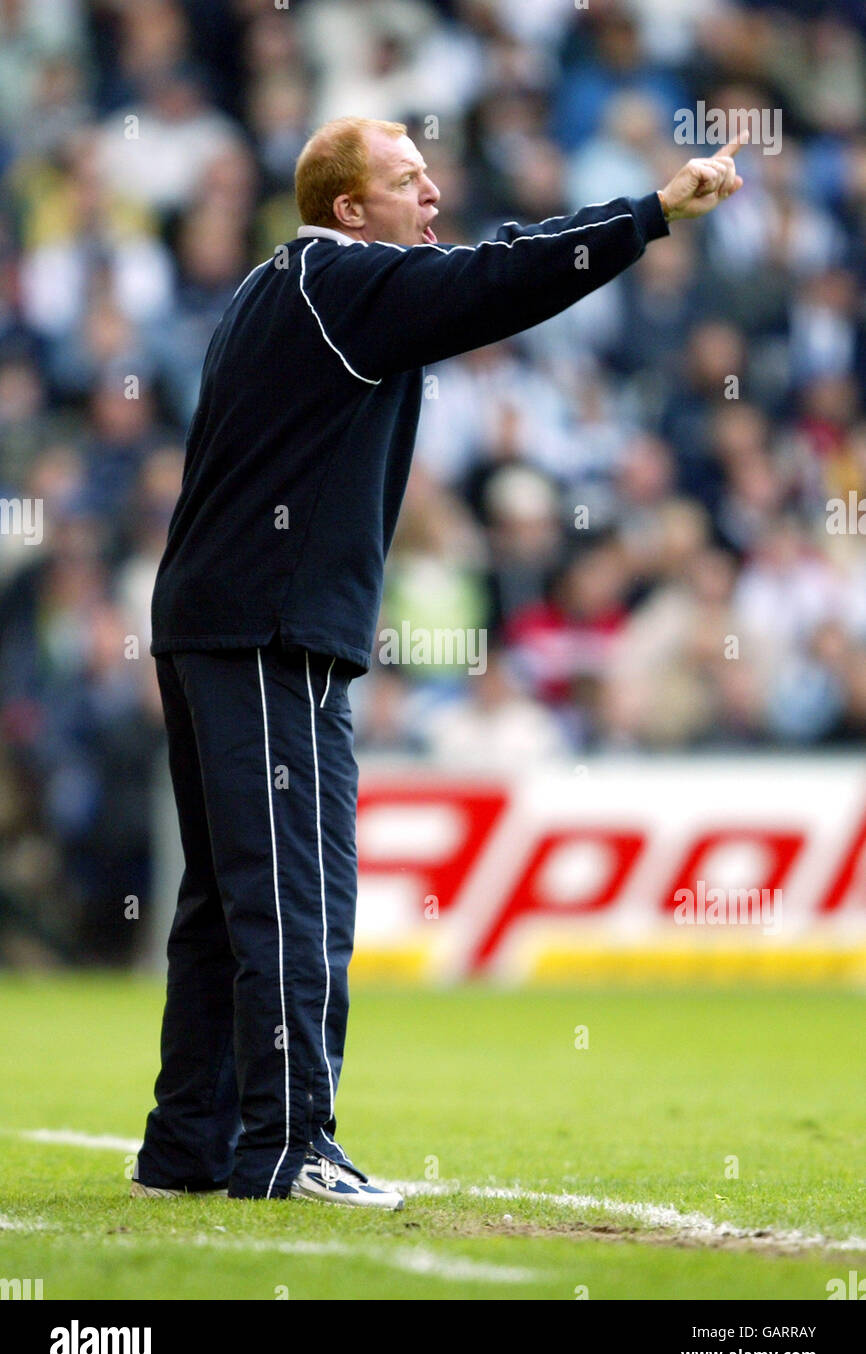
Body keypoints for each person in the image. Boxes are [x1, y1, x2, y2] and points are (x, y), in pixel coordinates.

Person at [132, 116, 745, 1207]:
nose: (432, 192)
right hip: (267, 628)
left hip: (217, 619)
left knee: (227, 903)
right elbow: (499, 278)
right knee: (293, 890)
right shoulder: (346, 276)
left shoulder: (281, 288)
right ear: (348, 208)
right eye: (406, 178)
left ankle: (189, 1148)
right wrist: (646, 217)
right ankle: (285, 1145)